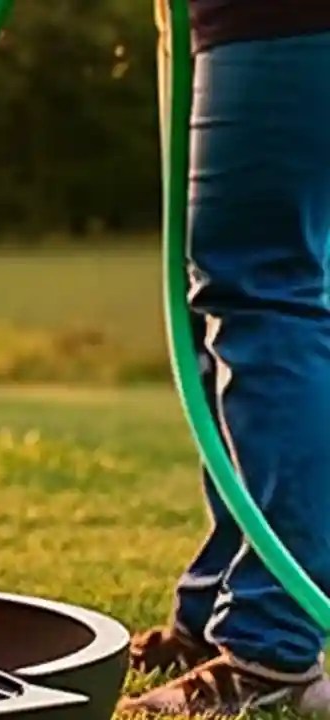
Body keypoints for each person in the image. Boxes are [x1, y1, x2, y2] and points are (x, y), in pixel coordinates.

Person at [118, 0, 330, 716]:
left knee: (262, 293)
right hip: (234, 22)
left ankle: (272, 650)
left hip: (284, 18)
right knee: (225, 306)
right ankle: (218, 611)